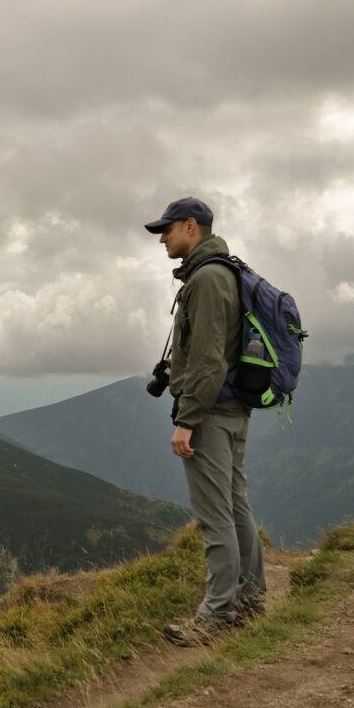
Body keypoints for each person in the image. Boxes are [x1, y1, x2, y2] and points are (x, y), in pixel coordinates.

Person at [144, 197, 266, 646]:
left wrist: (187, 420)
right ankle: (250, 599)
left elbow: (211, 360)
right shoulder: (221, 272)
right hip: (231, 408)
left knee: (215, 516)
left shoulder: (209, 278)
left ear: (191, 227)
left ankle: (217, 616)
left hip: (211, 413)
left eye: (167, 230)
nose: (162, 239)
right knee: (235, 505)